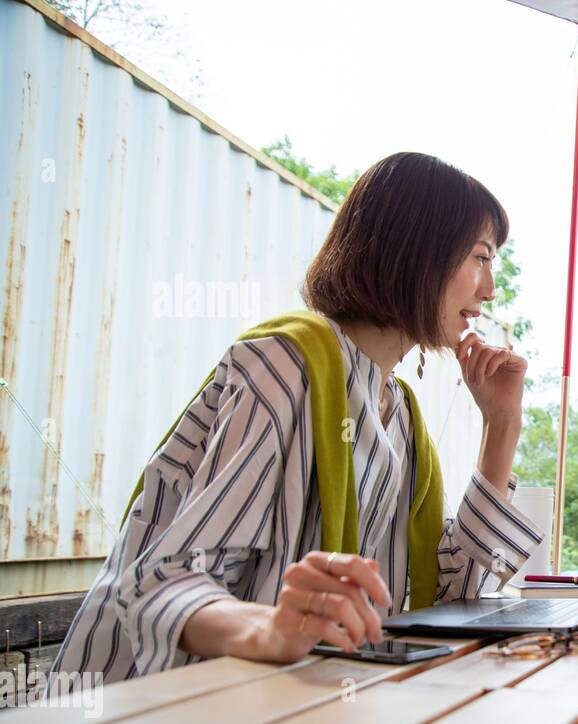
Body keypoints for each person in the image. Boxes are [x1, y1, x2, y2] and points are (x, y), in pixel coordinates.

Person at [51, 152, 542, 687]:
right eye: (479, 257)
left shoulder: (397, 412)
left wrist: (501, 426)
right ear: (418, 250)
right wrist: (271, 630)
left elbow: (449, 600)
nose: (489, 288)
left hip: (267, 718)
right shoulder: (284, 368)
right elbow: (160, 582)